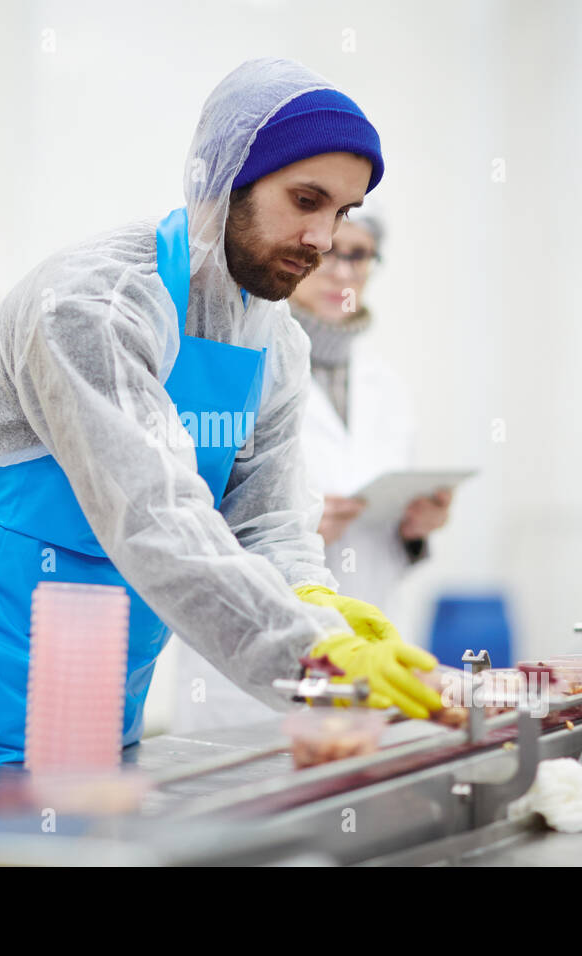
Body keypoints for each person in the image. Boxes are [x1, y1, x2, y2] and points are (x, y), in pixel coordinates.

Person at [0, 58, 443, 786]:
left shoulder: (275, 343)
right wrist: (313, 659)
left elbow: (269, 525)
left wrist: (316, 605)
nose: (322, 238)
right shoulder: (95, 305)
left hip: (101, 695)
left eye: (342, 213)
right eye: (306, 198)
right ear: (225, 179)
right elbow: (151, 515)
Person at [170, 211, 452, 733]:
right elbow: (185, 514)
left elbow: (391, 543)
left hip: (371, 646)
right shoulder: (241, 365)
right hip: (255, 661)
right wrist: (289, 533)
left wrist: (414, 531)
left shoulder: (388, 387)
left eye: (359, 254)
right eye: (331, 252)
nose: (342, 272)